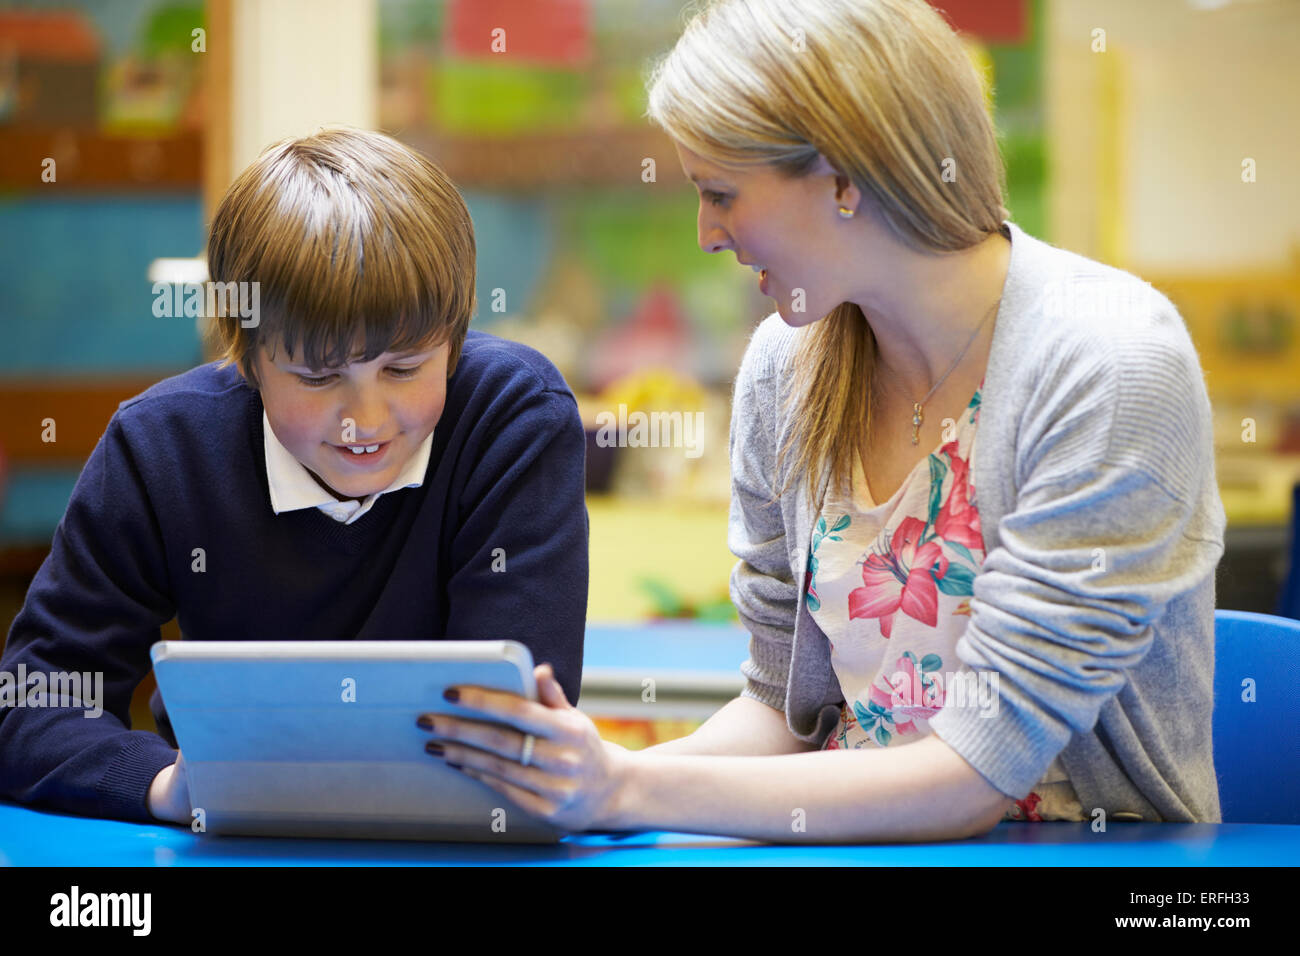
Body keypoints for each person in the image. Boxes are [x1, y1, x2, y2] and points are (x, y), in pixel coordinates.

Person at [414, 0, 1226, 842]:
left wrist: (626, 791)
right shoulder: (785, 367)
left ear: (844, 179)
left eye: (721, 193)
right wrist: (573, 777)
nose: (706, 234)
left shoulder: (1109, 362)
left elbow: (980, 770)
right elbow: (781, 709)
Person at [0, 127, 589, 826]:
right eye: (317, 377)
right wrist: (166, 787)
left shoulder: (513, 421)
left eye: (403, 369)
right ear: (246, 360)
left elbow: (509, 736)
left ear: (455, 342)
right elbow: (34, 702)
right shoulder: (163, 446)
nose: (362, 421)